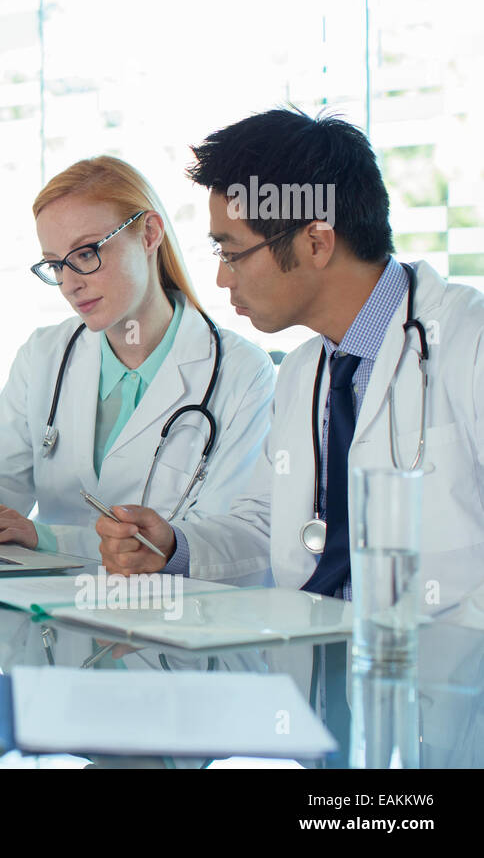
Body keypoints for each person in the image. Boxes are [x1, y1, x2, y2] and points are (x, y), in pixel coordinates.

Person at [100, 108, 484, 604]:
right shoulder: (303, 371)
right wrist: (171, 546)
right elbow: (266, 524)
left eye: (231, 252)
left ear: (317, 241)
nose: (222, 278)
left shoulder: (468, 341)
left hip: (448, 670)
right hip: (310, 660)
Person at [0, 156, 275, 583]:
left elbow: (232, 541)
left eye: (86, 253)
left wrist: (47, 538)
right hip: (58, 626)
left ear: (149, 234)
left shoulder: (241, 373)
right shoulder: (43, 355)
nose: (70, 283)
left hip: (175, 628)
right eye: (55, 264)